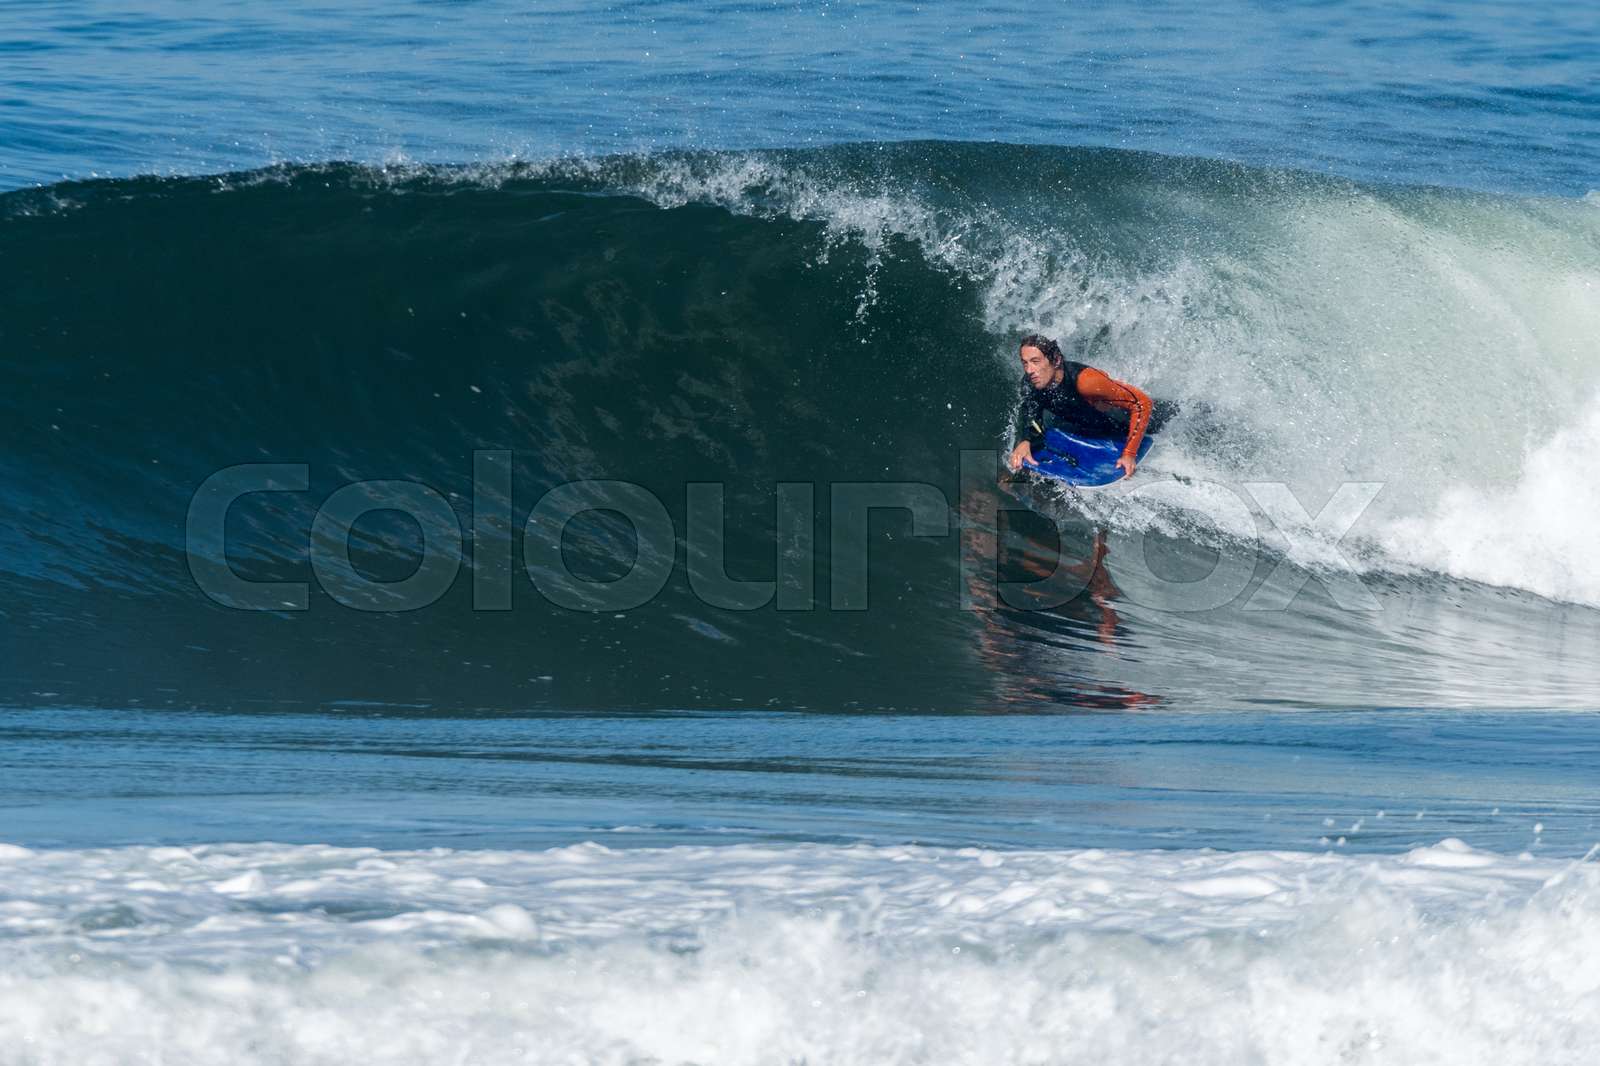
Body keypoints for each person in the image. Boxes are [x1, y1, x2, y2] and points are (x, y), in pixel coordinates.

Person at [1008, 333, 1173, 479]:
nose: (1029, 370)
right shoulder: (1032, 383)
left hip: (1148, 423)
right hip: (1098, 429)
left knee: (1170, 414)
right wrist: (1024, 440)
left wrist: (1129, 454)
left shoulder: (1086, 382)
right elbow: (1029, 410)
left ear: (1056, 360)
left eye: (1035, 361)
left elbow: (1142, 403)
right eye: (1025, 363)